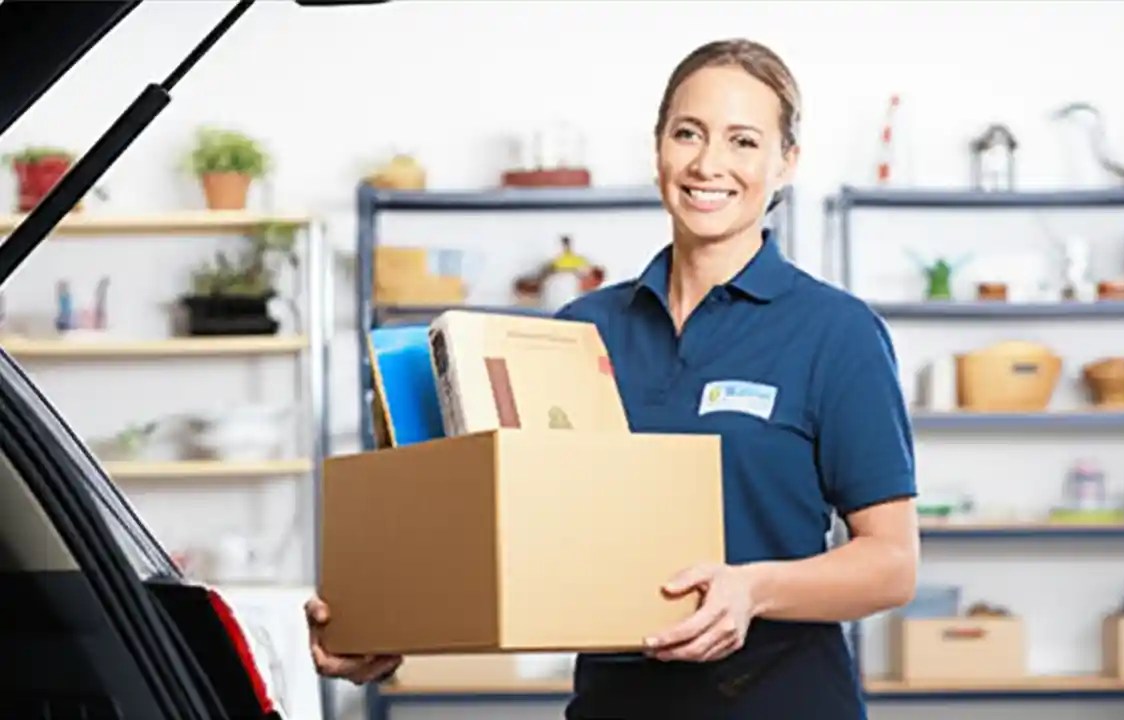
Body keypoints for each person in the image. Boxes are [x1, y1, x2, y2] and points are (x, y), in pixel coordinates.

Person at [308, 37, 919, 720]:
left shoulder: (835, 332)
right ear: (658, 146)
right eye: (688, 133)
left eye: (744, 141)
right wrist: (390, 627)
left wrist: (753, 589)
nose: (708, 163)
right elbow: (519, 530)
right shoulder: (577, 330)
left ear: (786, 163)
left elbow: (891, 563)